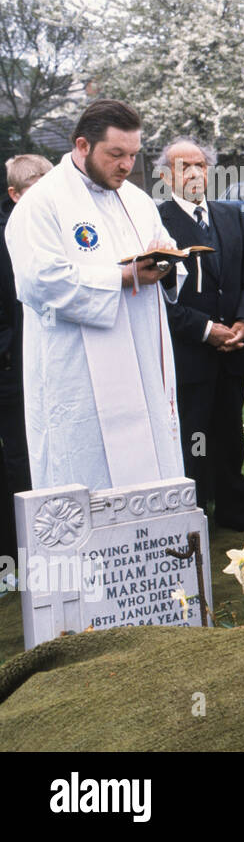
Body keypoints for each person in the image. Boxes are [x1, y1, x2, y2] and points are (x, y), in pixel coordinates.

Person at [5, 99, 186, 494]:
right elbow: (39, 282)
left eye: (133, 155)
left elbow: (168, 255)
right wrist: (121, 277)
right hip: (77, 373)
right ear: (83, 146)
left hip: (142, 366)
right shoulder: (40, 204)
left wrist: (167, 264)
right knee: (86, 477)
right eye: (116, 154)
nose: (126, 166)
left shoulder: (137, 200)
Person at [155, 137, 244, 534]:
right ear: (166, 174)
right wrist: (206, 331)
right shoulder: (157, 221)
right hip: (191, 352)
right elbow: (158, 299)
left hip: (234, 349)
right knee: (195, 435)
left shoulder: (230, 215)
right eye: (183, 166)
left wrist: (242, 325)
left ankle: (237, 513)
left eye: (200, 165)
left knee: (230, 432)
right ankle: (195, 516)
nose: (193, 173)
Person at [0, 154, 51, 574]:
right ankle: (21, 552)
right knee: (20, 456)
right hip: (12, 369)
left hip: (46, 360)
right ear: (15, 195)